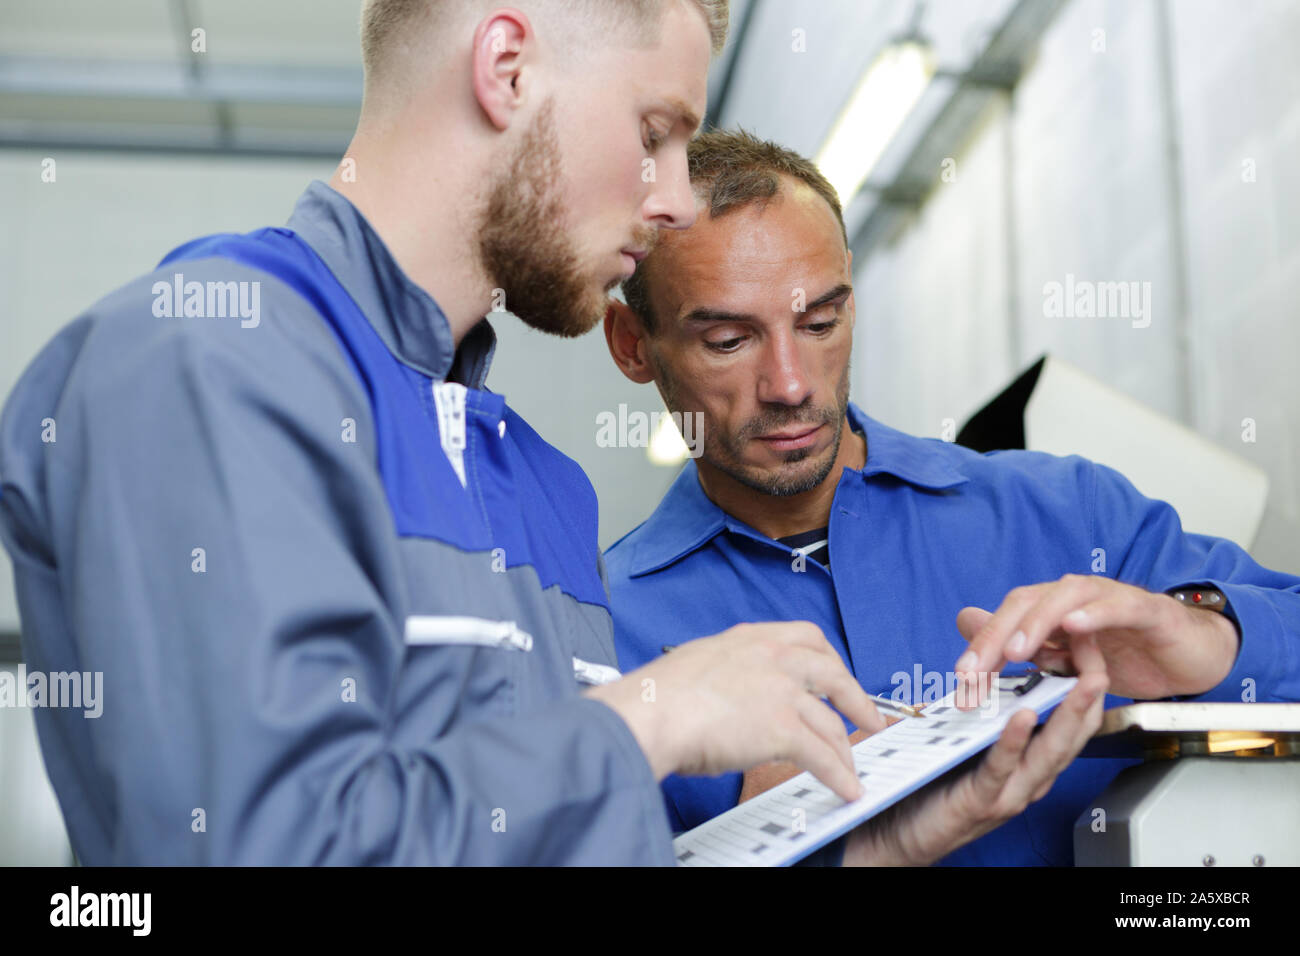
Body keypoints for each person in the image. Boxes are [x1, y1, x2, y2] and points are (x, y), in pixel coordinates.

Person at [0, 0, 1101, 866]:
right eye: (656, 133)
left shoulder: (535, 478)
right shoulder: (209, 359)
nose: (672, 198)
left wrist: (868, 849)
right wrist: (654, 716)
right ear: (508, 70)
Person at [602, 127, 1300, 865]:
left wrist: (1214, 640)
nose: (791, 384)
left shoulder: (1069, 514)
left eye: (819, 323)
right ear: (631, 344)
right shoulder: (601, 636)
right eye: (729, 341)